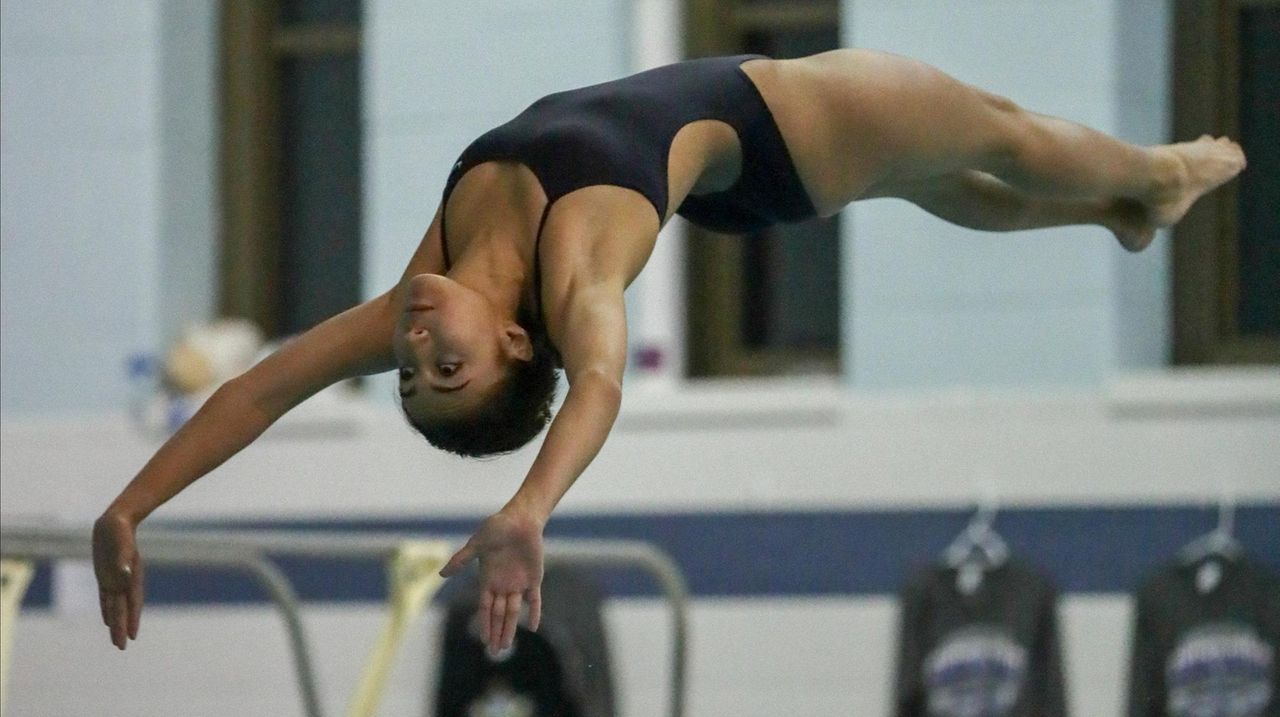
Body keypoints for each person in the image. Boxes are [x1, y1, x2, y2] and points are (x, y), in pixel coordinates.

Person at [93, 49, 1246, 657]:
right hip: (785, 133)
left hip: (724, 182)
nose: (411, 348)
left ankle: (1110, 216)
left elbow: (257, 390)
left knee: (941, 179)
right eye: (442, 373)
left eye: (407, 375)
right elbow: (597, 384)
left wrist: (129, 509)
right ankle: (1152, 175)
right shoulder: (577, 268)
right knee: (990, 128)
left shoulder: (415, 291)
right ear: (507, 343)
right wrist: (530, 507)